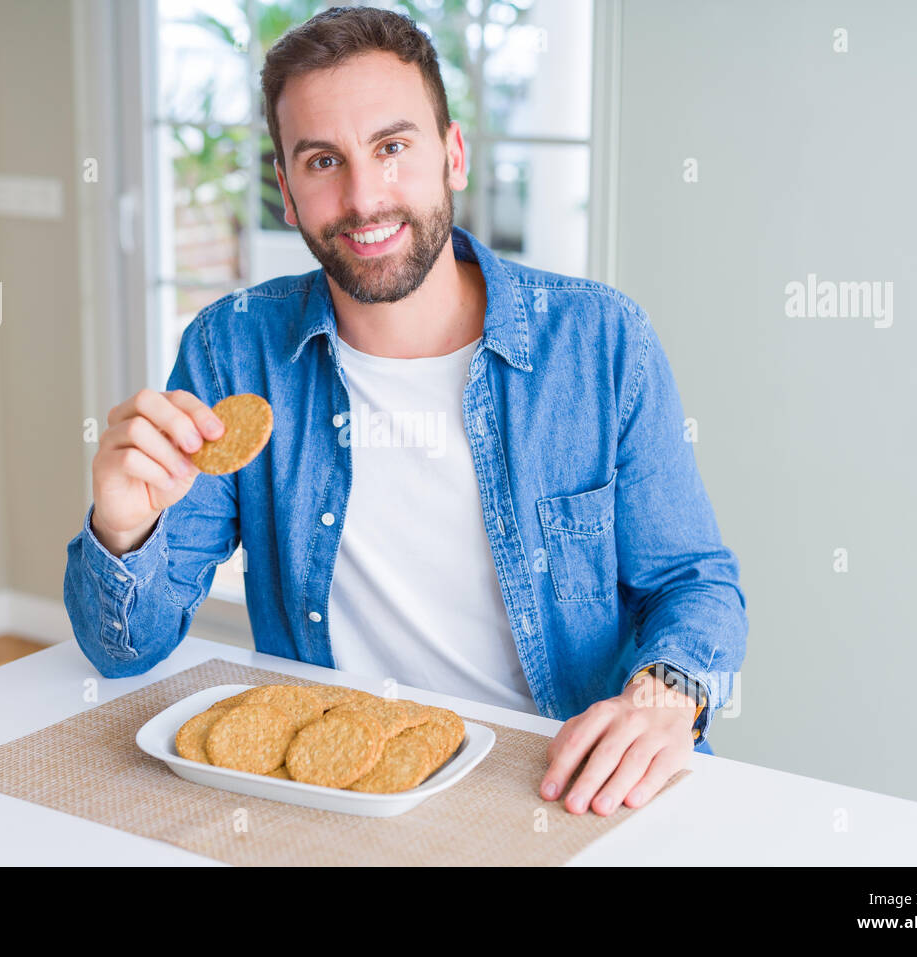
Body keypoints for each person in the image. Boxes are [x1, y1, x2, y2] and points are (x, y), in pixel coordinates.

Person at [64, 6, 747, 818]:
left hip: (565, 785)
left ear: (452, 154)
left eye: (393, 147)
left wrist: (664, 697)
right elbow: (122, 650)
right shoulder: (232, 348)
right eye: (323, 161)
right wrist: (122, 527)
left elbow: (696, 583)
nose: (364, 196)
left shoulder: (601, 341)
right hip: (329, 799)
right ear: (286, 190)